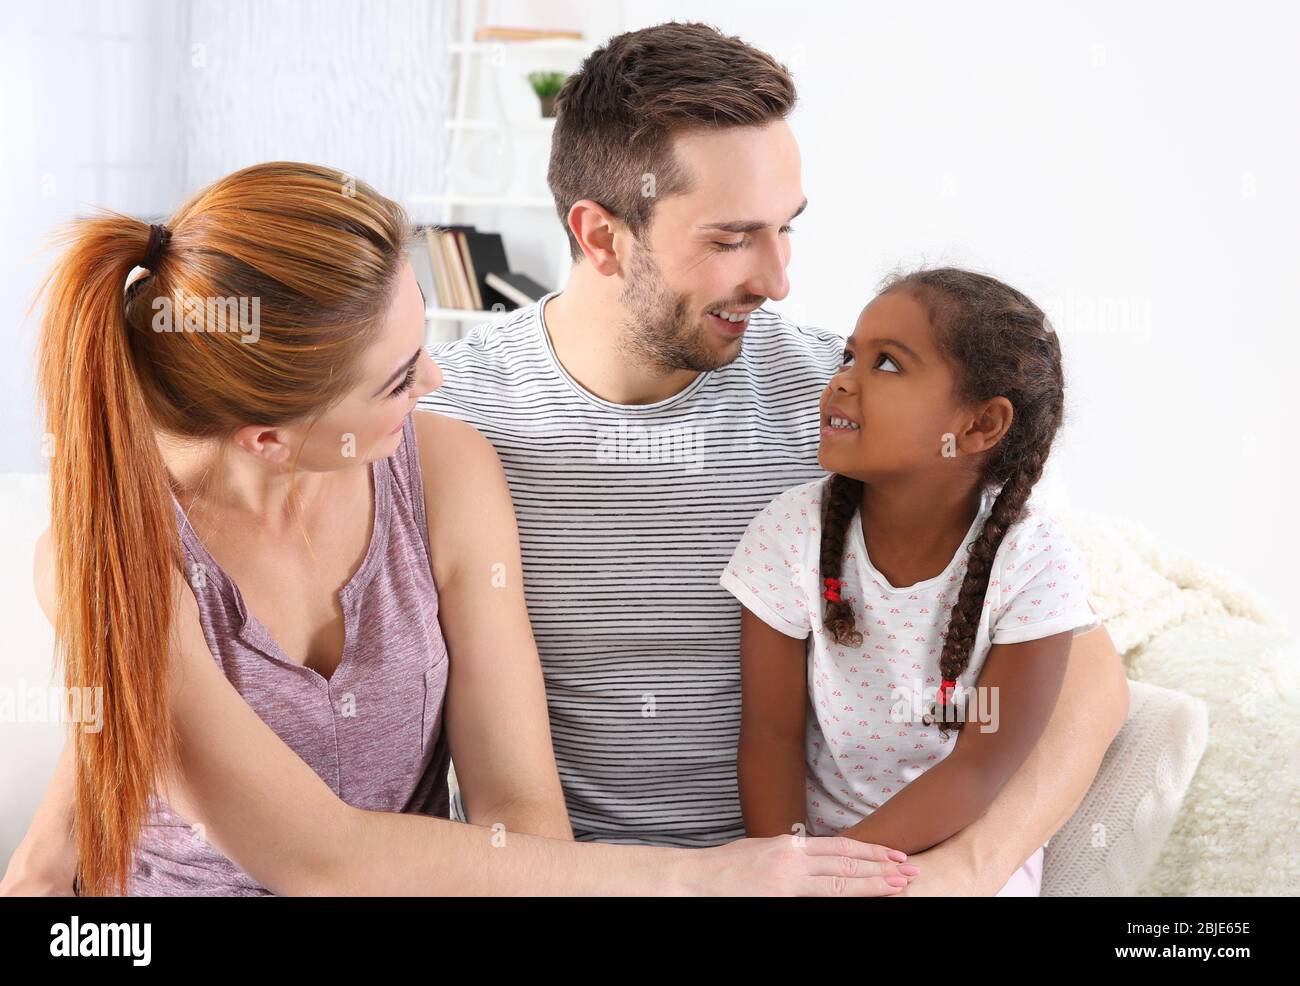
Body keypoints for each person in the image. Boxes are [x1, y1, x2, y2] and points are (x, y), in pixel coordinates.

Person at [1, 161, 913, 897]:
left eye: (422, 344)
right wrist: (698, 880)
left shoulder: (444, 470)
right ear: (269, 438)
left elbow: (516, 802)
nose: (437, 383)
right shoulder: (114, 559)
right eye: (398, 379)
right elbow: (318, 861)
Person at [418, 22, 1129, 892]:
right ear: (601, 237)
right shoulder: (450, 418)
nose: (777, 278)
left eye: (786, 228)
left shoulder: (844, 405)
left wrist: (975, 862)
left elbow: (1087, 672)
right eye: (730, 239)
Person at [724, 267, 1101, 897]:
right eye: (850, 355)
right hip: (812, 851)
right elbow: (769, 738)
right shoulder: (791, 533)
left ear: (981, 427)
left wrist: (843, 872)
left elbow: (980, 772)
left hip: (953, 857)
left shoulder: (1035, 563)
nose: (842, 379)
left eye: (888, 365)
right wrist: (793, 870)